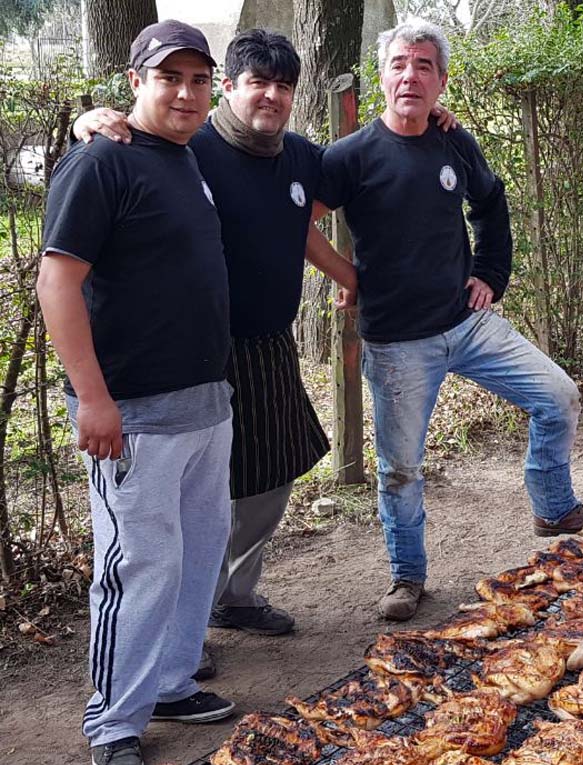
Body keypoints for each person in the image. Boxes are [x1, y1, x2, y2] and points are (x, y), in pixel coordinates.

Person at [73, 30, 458, 669]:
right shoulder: (186, 148)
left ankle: (233, 596)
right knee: (194, 503)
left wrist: (348, 273)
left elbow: (316, 210)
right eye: (258, 82)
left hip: (269, 343)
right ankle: (177, 639)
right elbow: (121, 158)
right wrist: (94, 120)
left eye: (283, 86)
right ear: (230, 87)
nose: (272, 96)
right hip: (193, 351)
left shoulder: (302, 158)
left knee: (272, 476)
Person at [311, 17, 583, 623]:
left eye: (424, 66)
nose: (410, 75)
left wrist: (491, 273)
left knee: (557, 396)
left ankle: (554, 506)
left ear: (440, 81)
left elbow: (489, 203)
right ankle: (407, 576)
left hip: (468, 324)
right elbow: (299, 220)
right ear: (383, 76)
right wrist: (347, 277)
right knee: (401, 471)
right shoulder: (349, 156)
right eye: (399, 64)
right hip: (396, 343)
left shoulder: (452, 142)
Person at [38, 20, 238, 765]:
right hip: (134, 413)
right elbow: (58, 282)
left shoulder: (188, 159)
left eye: (197, 79)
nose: (185, 93)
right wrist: (93, 399)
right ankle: (114, 718)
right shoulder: (100, 163)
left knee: (193, 554)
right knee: (140, 565)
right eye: (169, 78)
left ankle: (169, 684)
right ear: (135, 82)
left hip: (205, 402)